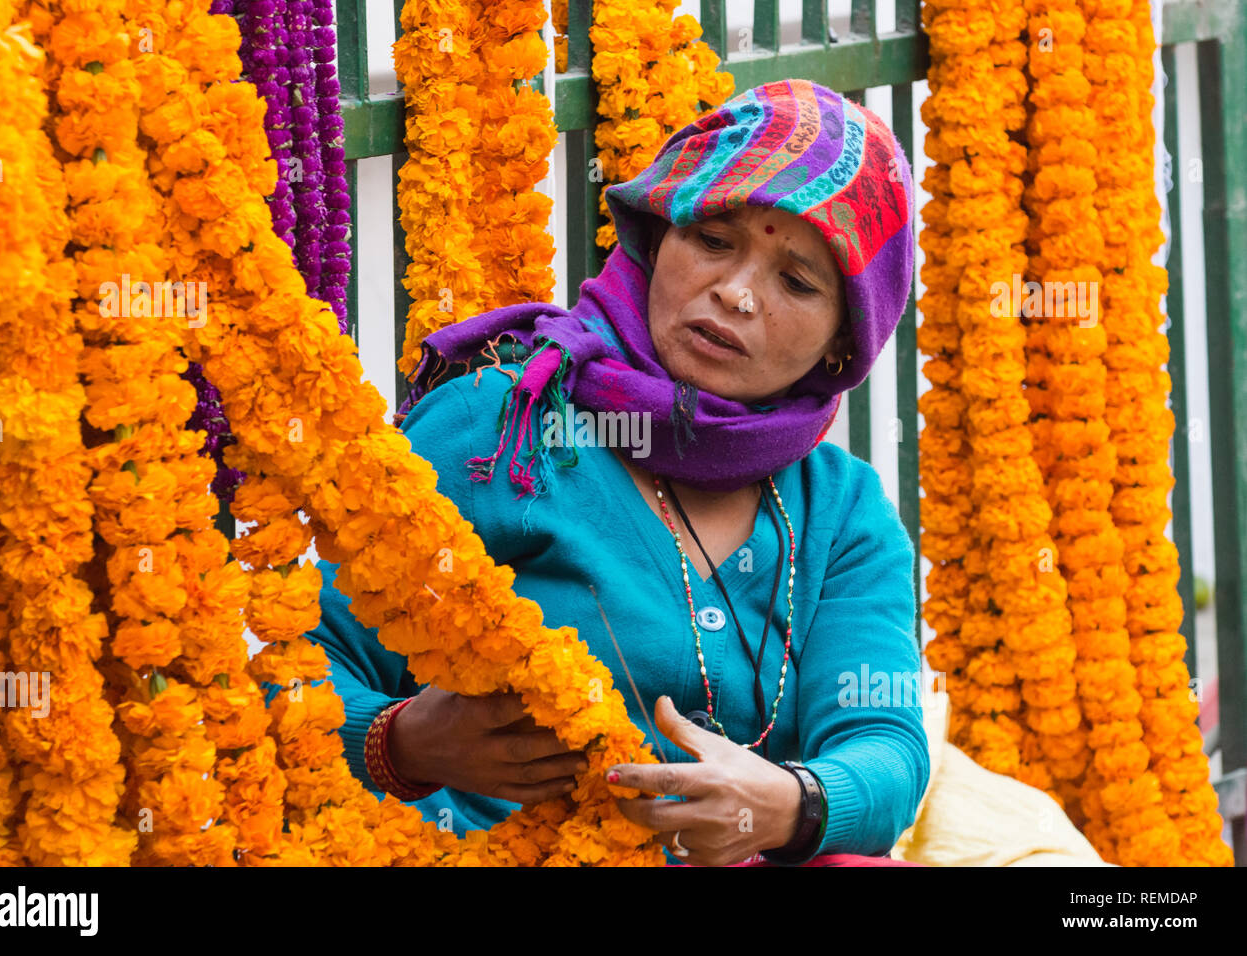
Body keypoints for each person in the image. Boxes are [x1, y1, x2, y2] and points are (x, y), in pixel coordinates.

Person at [306, 78, 928, 866]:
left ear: (846, 344)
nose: (736, 293)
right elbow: (293, 673)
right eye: (713, 240)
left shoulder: (841, 513)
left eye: (796, 281)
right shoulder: (502, 429)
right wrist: (404, 744)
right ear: (656, 235)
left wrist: (791, 805)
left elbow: (884, 744)